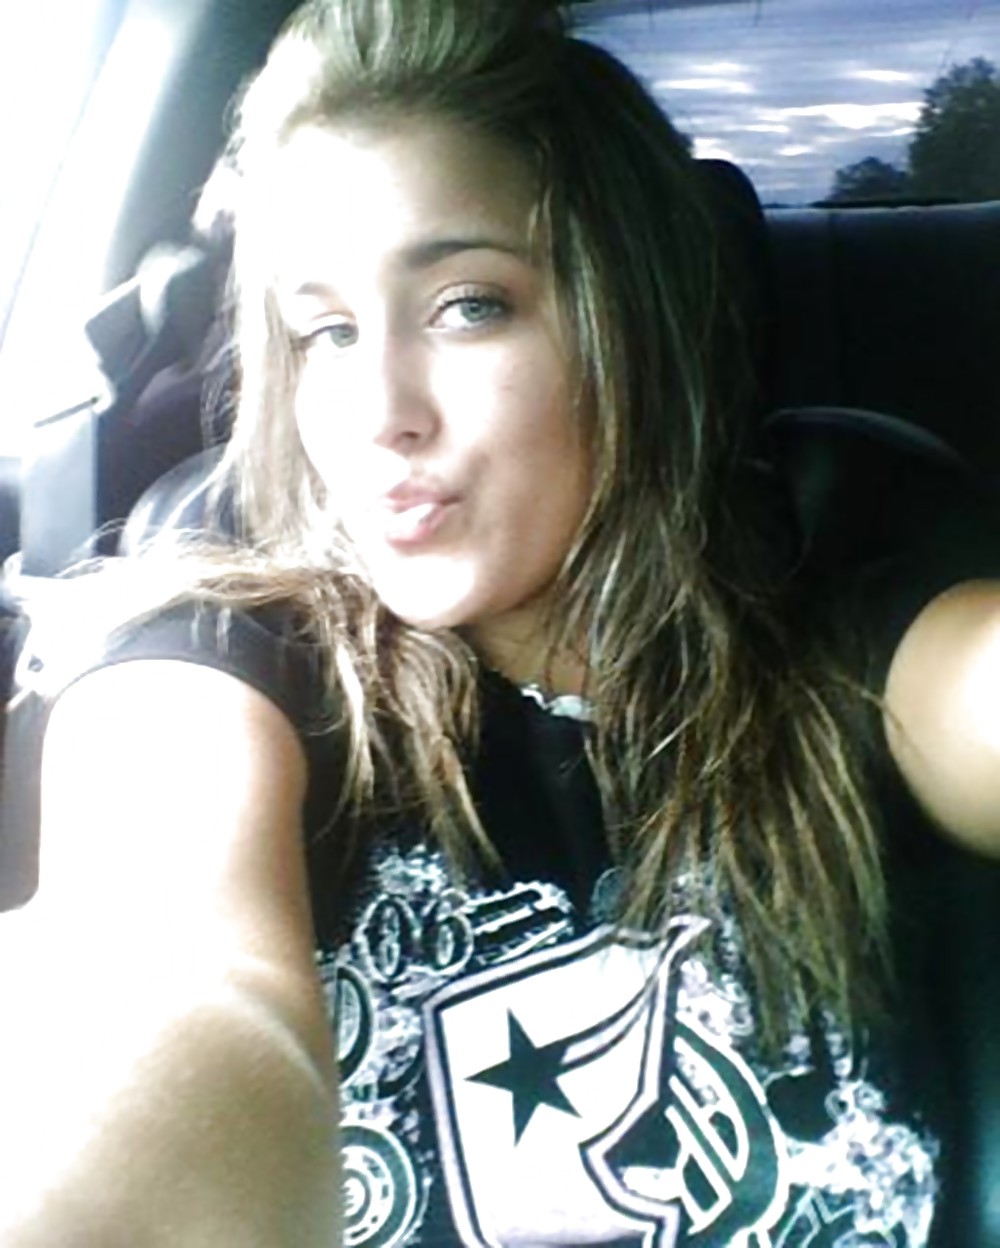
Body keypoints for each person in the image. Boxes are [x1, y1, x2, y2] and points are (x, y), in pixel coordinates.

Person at [1, 0, 998, 1243]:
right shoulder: (226, 645)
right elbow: (160, 965)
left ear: (629, 318)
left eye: (468, 305)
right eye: (325, 331)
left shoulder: (838, 560)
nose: (379, 412)